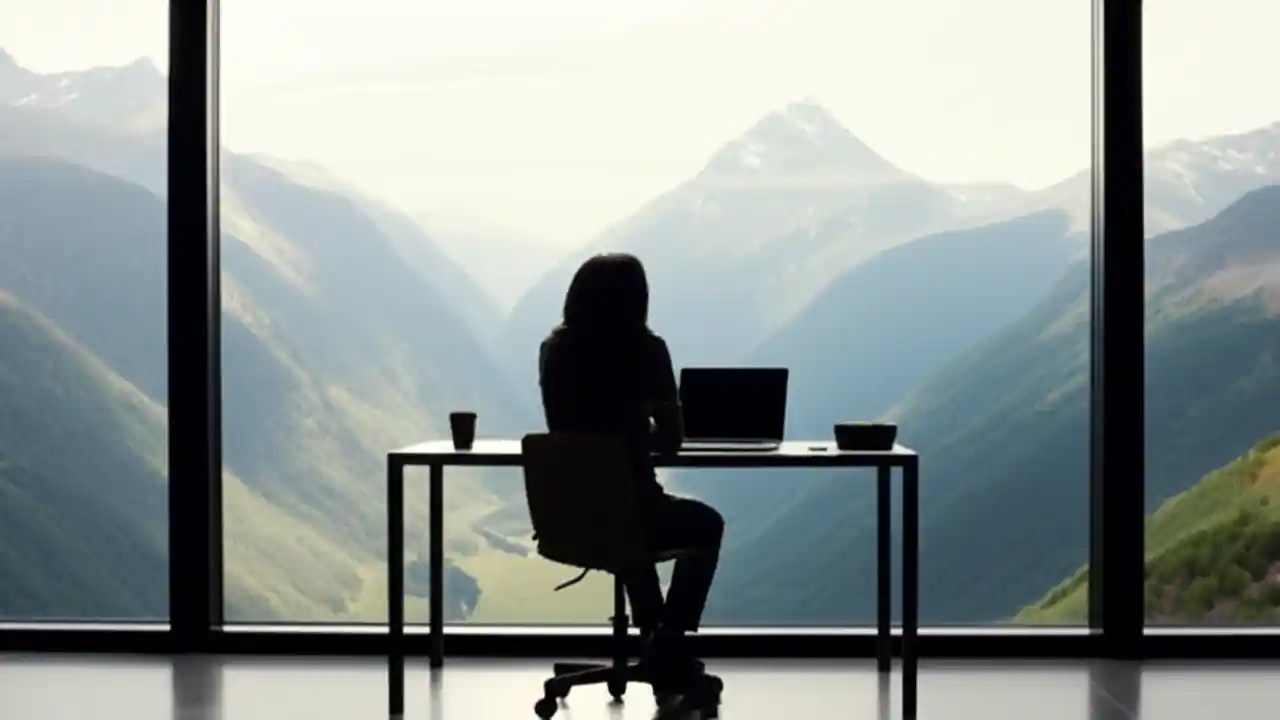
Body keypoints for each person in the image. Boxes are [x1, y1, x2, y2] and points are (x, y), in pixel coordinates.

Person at [538, 253, 725, 693]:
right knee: (704, 525)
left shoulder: (554, 350)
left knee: (625, 527)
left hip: (569, 514)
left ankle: (658, 647)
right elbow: (673, 438)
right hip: (632, 508)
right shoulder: (645, 350)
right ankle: (669, 644)